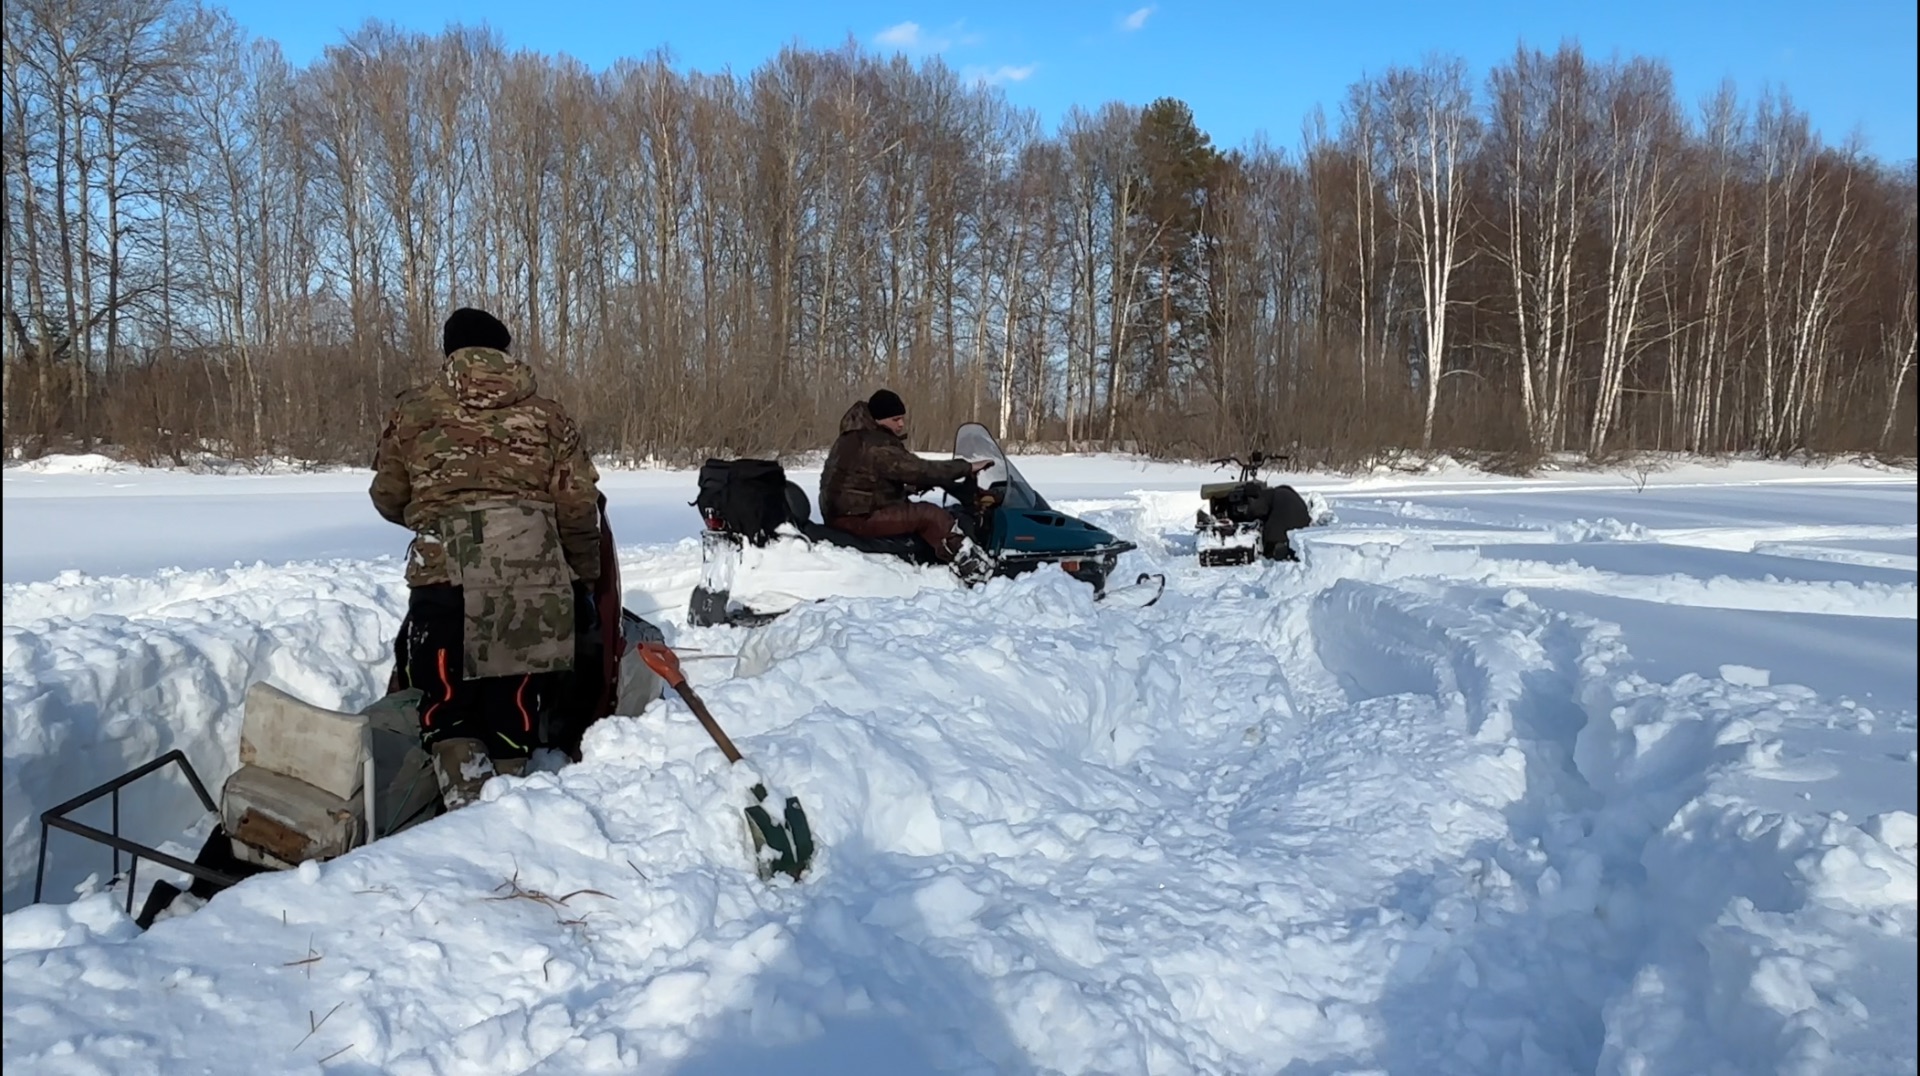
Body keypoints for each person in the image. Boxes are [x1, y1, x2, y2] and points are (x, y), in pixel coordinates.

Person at [369, 307, 604, 810]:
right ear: (504, 351)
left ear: (449, 350)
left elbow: (388, 495)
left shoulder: (411, 411)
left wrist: (435, 513)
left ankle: (463, 810)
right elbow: (578, 506)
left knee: (445, 705)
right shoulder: (550, 416)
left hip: (443, 579)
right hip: (528, 575)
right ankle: (502, 808)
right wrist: (583, 578)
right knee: (513, 707)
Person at [819, 389, 991, 566]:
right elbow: (919, 469)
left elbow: (865, 479)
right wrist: (967, 467)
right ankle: (971, 564)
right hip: (857, 518)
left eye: (902, 418)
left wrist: (910, 487)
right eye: (895, 419)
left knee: (921, 511)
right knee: (929, 515)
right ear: (878, 418)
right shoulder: (875, 444)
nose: (901, 424)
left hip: (845, 513)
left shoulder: (853, 437)